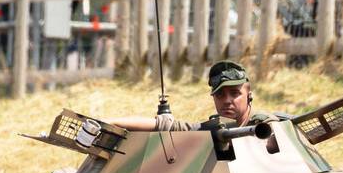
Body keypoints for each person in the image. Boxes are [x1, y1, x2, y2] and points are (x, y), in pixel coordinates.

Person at [108, 61, 272, 133]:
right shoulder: (214, 128)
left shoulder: (264, 122)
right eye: (220, 95)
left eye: (235, 93)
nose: (227, 100)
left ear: (249, 96)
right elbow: (166, 125)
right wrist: (111, 123)